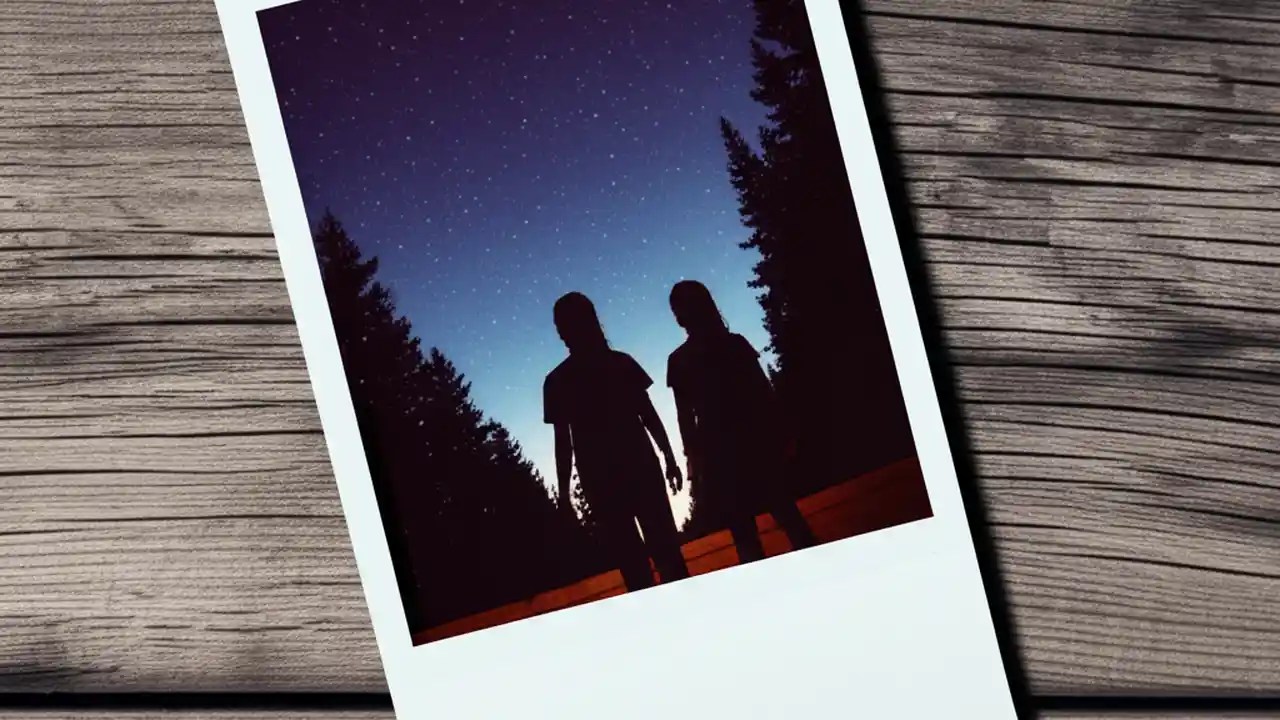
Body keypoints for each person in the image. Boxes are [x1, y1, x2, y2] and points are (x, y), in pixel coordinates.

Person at [543, 291, 690, 591]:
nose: (561, 332)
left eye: (564, 324)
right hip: (626, 474)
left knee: (642, 565)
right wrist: (669, 457)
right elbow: (647, 415)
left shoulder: (562, 379)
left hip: (612, 479)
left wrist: (564, 496)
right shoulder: (615, 364)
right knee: (656, 558)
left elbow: (564, 443)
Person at [666, 279, 816, 564]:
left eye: (678, 308)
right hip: (744, 445)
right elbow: (762, 392)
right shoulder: (732, 345)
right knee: (784, 518)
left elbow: (686, 418)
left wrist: (694, 460)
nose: (678, 315)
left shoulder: (682, 359)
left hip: (732, 449)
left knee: (750, 533)